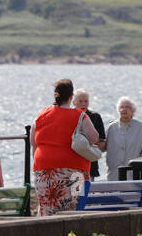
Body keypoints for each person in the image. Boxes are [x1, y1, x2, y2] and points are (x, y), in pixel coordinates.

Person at [31, 78, 100, 215]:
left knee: (47, 209)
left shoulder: (41, 114)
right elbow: (94, 137)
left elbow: (33, 142)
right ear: (71, 97)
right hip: (75, 172)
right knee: (74, 210)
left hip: (44, 171)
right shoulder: (80, 115)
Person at [104, 96, 142, 181]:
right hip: (114, 173)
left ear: (133, 111)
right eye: (121, 107)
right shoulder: (111, 127)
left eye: (127, 107)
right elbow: (103, 146)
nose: (124, 109)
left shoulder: (140, 127)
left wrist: (140, 166)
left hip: (134, 173)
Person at [73, 89, 107, 180]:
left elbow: (102, 142)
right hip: (72, 163)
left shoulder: (95, 116)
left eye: (86, 101)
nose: (83, 104)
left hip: (90, 163)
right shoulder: (69, 116)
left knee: (88, 191)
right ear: (74, 102)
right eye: (80, 101)